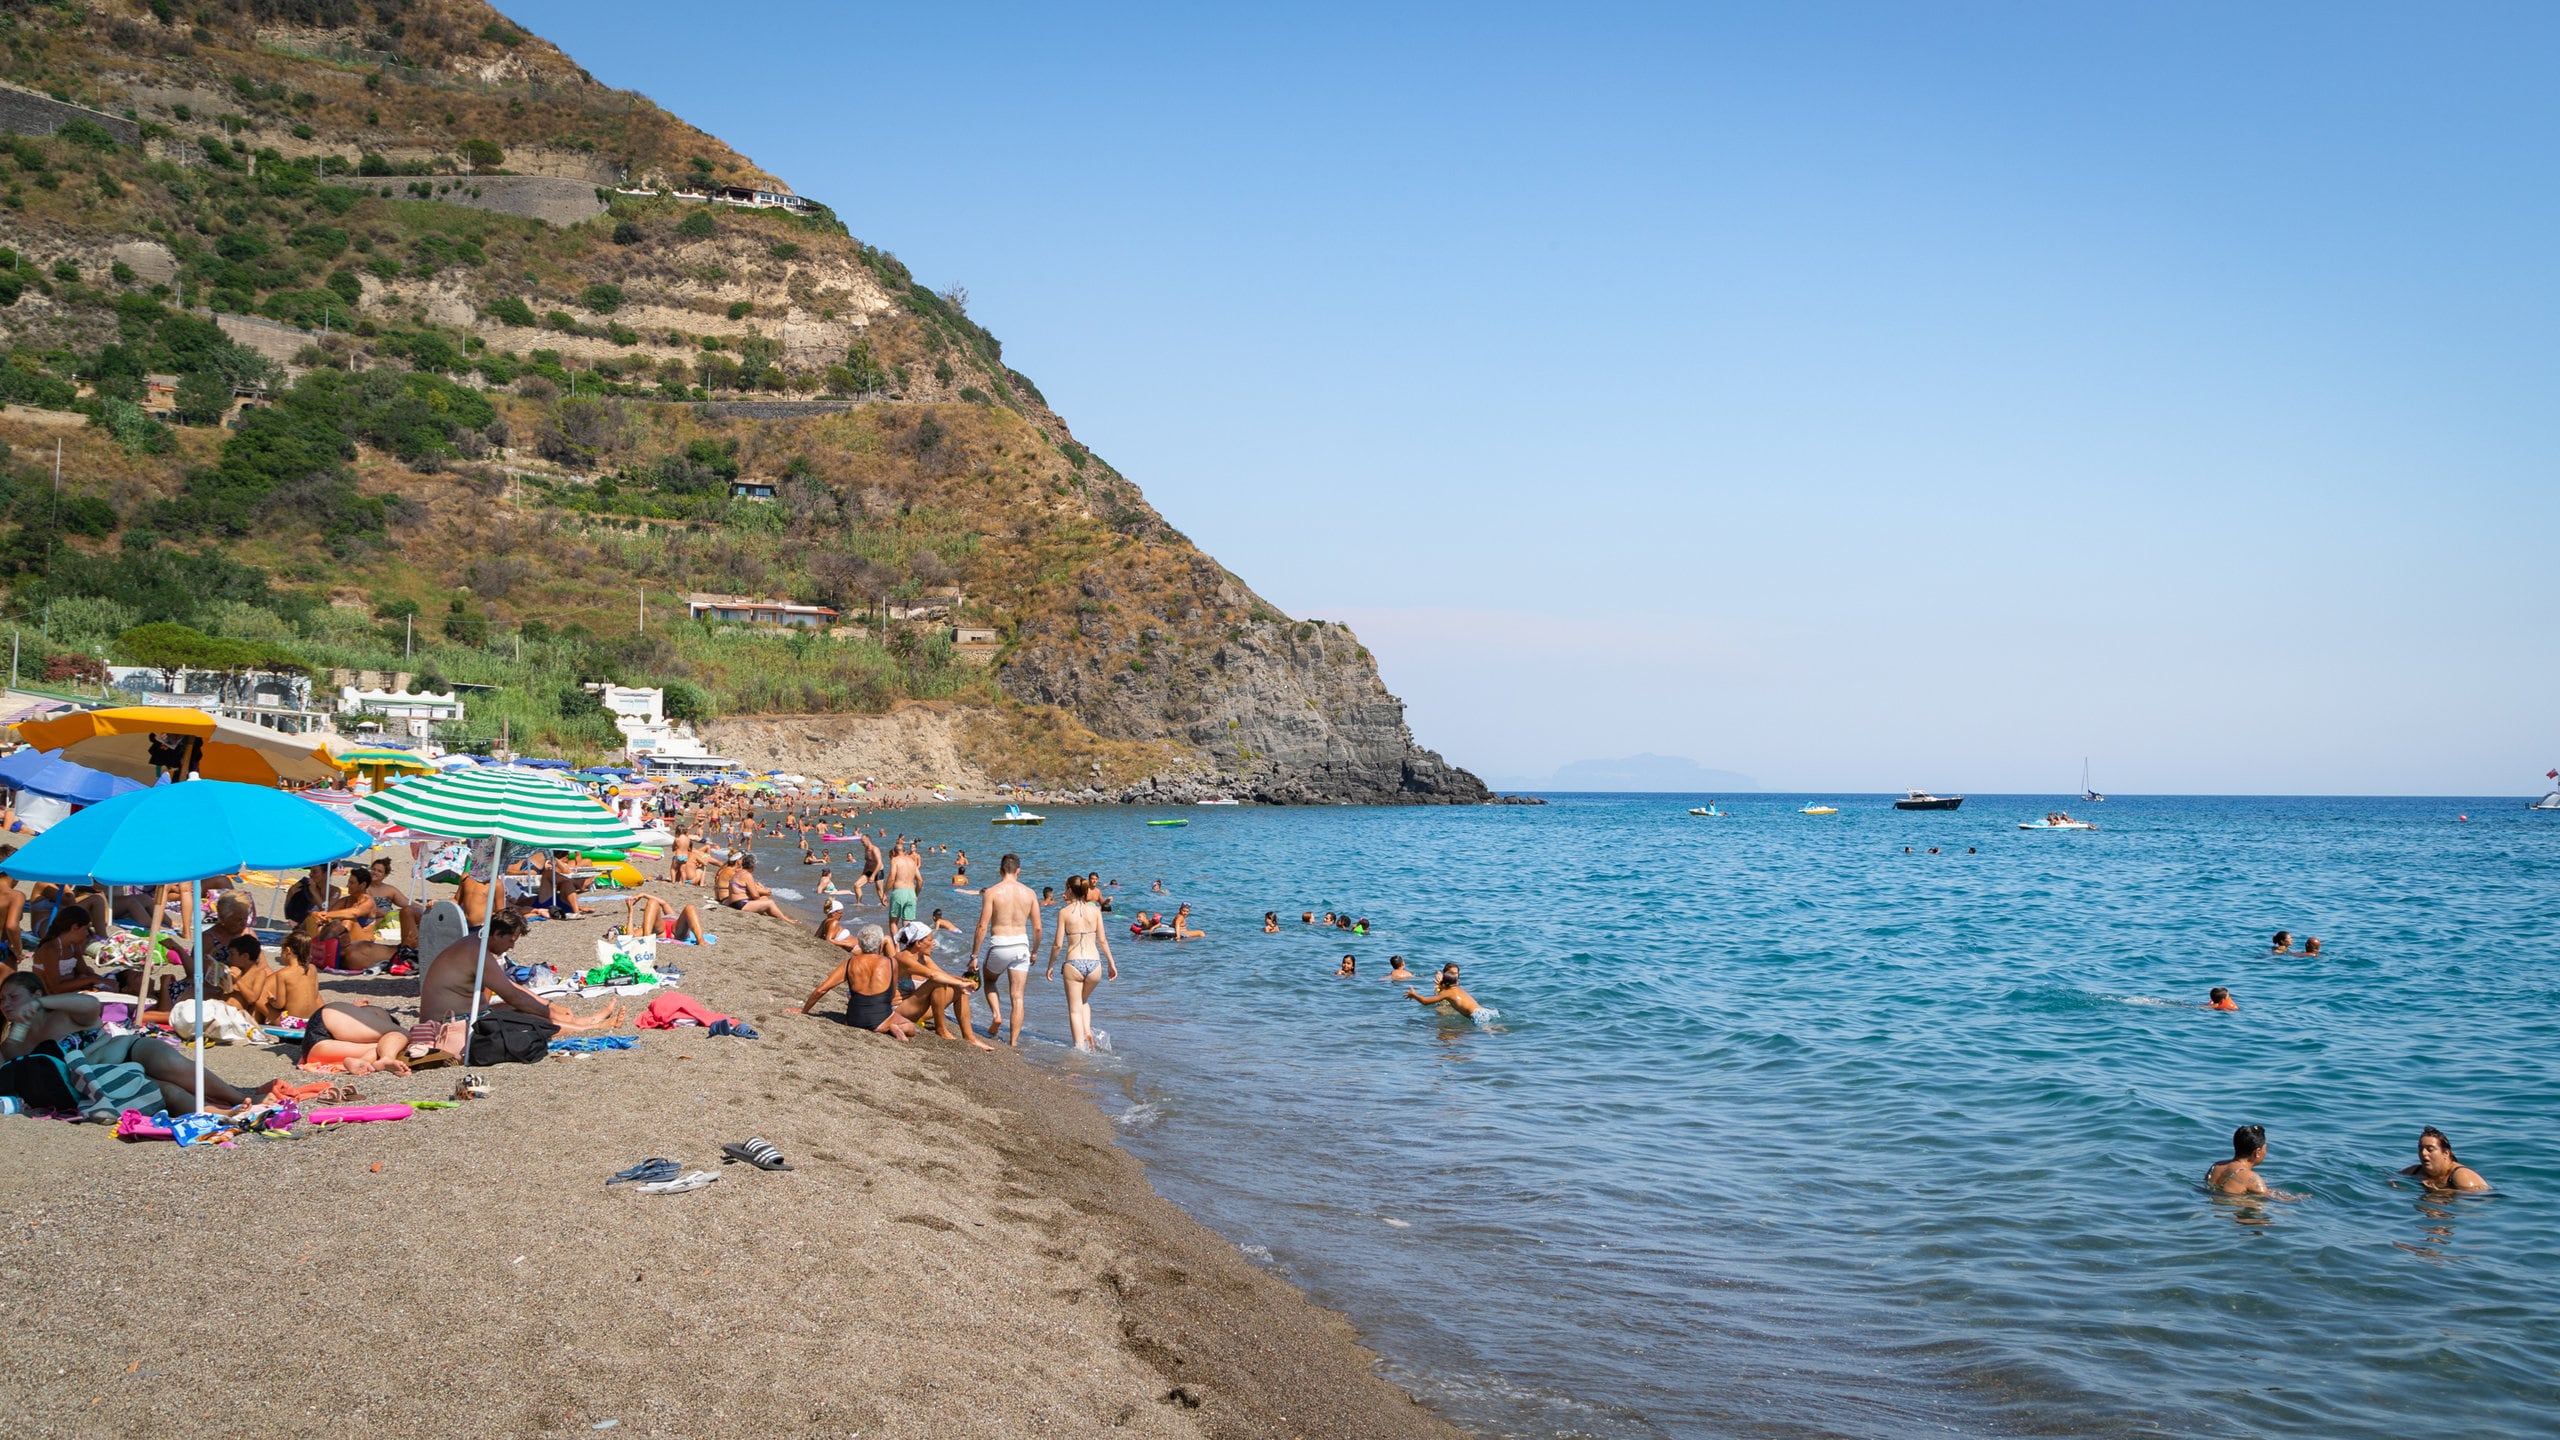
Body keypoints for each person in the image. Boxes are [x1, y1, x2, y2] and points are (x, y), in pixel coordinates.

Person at [0, 971, 268, 1112]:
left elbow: (92, 1004)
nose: (6, 1003)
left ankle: (239, 1097)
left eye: (13, 996)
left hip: (124, 1050)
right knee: (168, 1092)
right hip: (105, 1079)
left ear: (36, 993)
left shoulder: (62, 1012)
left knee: (170, 1062)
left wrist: (41, 1003)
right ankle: (217, 1113)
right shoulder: (13, 1045)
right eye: (2, 999)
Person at [417, 912, 626, 1032]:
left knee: (518, 1009)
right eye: (511, 940)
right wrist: (549, 1012)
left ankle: (583, 1021)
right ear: (498, 934)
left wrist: (551, 1005)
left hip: (464, 1015)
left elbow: (510, 987)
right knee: (528, 1020)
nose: (511, 947)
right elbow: (514, 996)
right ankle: (588, 1027)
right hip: (448, 1024)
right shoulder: (476, 953)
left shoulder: (476, 945)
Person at [971, 854, 1042, 1046]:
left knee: (990, 980)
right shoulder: (1030, 893)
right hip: (1021, 946)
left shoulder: (992, 892)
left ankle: (996, 1015)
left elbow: (982, 927)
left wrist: (974, 955)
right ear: (1018, 871)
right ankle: (1013, 1042)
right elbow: (1037, 928)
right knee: (1018, 996)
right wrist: (1035, 951)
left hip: (1000, 945)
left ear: (1000, 870)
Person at [892, 922, 991, 1051]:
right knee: (938, 982)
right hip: (899, 1011)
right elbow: (934, 976)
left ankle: (969, 1037)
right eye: (930, 940)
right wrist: (961, 983)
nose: (934, 943)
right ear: (918, 943)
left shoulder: (924, 958)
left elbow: (943, 974)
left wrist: (964, 981)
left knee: (959, 990)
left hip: (917, 1010)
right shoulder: (903, 957)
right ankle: (941, 1029)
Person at [1047, 875, 1117, 1052]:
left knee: (1074, 1009)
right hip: (1095, 964)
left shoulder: (1064, 912)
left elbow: (1058, 944)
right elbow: (1102, 940)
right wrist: (1111, 963)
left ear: (1070, 890)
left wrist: (1050, 965)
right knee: (1083, 1000)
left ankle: (1079, 1049)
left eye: (1065, 888)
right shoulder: (1095, 910)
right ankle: (1087, 1031)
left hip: (1074, 963)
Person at [26, 909, 100, 995]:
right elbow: (55, 988)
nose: (87, 933)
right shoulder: (50, 949)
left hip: (66, 993)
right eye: (85, 929)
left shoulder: (73, 946)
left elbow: (84, 971)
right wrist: (92, 979)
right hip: (48, 996)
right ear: (74, 928)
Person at [2402, 1126, 2488, 1192]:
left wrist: (2440, 1191)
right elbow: (2393, 1178)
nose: (2423, 1153)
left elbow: (2479, 1199)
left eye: (2430, 1149)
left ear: (2446, 1153)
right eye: (2420, 1149)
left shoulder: (2462, 1175)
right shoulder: (2416, 1171)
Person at [722, 854, 798, 923]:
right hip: (739, 905)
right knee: (770, 903)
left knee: (764, 898)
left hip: (733, 902)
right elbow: (755, 896)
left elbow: (744, 890)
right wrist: (763, 891)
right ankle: (785, 919)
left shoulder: (738, 873)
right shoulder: (747, 875)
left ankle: (780, 915)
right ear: (753, 866)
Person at [2205, 1124, 2274, 1196]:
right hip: (2231, 1206)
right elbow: (2268, 1198)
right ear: (2257, 1152)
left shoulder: (2215, 1166)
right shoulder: (2253, 1178)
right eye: (2266, 1148)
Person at [1405, 963, 1482, 1018]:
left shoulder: (1448, 990)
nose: (1454, 975)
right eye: (1451, 973)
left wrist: (1414, 995)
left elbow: (1425, 1002)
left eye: (1456, 973)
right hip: (1481, 1012)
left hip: (1476, 1015)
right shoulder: (1456, 987)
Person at [882, 839, 922, 926]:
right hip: (911, 893)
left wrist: (885, 893)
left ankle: (896, 940)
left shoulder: (895, 860)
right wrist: (916, 895)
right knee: (907, 926)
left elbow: (892, 878)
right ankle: (905, 940)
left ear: (895, 852)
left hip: (899, 892)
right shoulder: (912, 861)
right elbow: (920, 880)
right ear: (904, 851)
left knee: (893, 923)